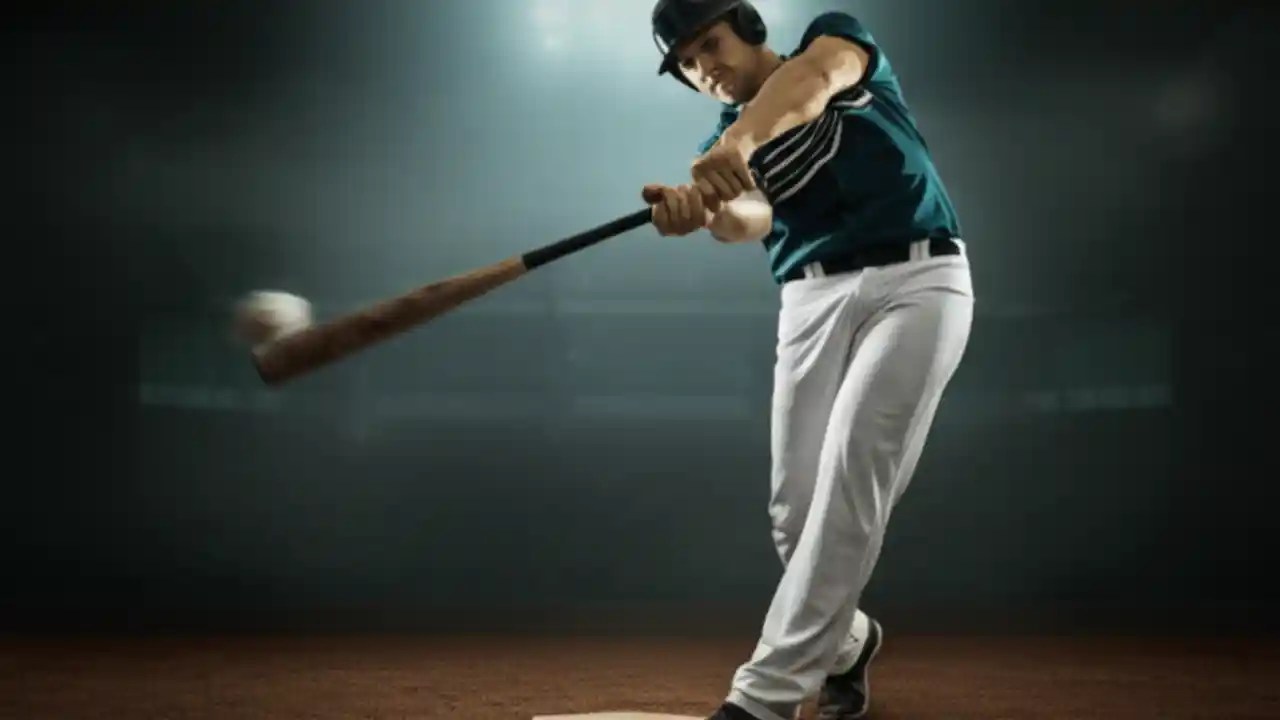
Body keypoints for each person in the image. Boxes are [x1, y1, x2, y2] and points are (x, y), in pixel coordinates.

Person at [641, 2, 975, 719]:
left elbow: (813, 84)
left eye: (711, 44)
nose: (705, 68)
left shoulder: (835, 40)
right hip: (810, 297)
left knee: (852, 475)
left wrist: (739, 144)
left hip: (918, 279)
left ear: (748, 26)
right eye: (688, 64)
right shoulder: (719, 144)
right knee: (794, 515)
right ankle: (849, 642)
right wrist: (700, 212)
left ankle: (763, 697)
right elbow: (750, 218)